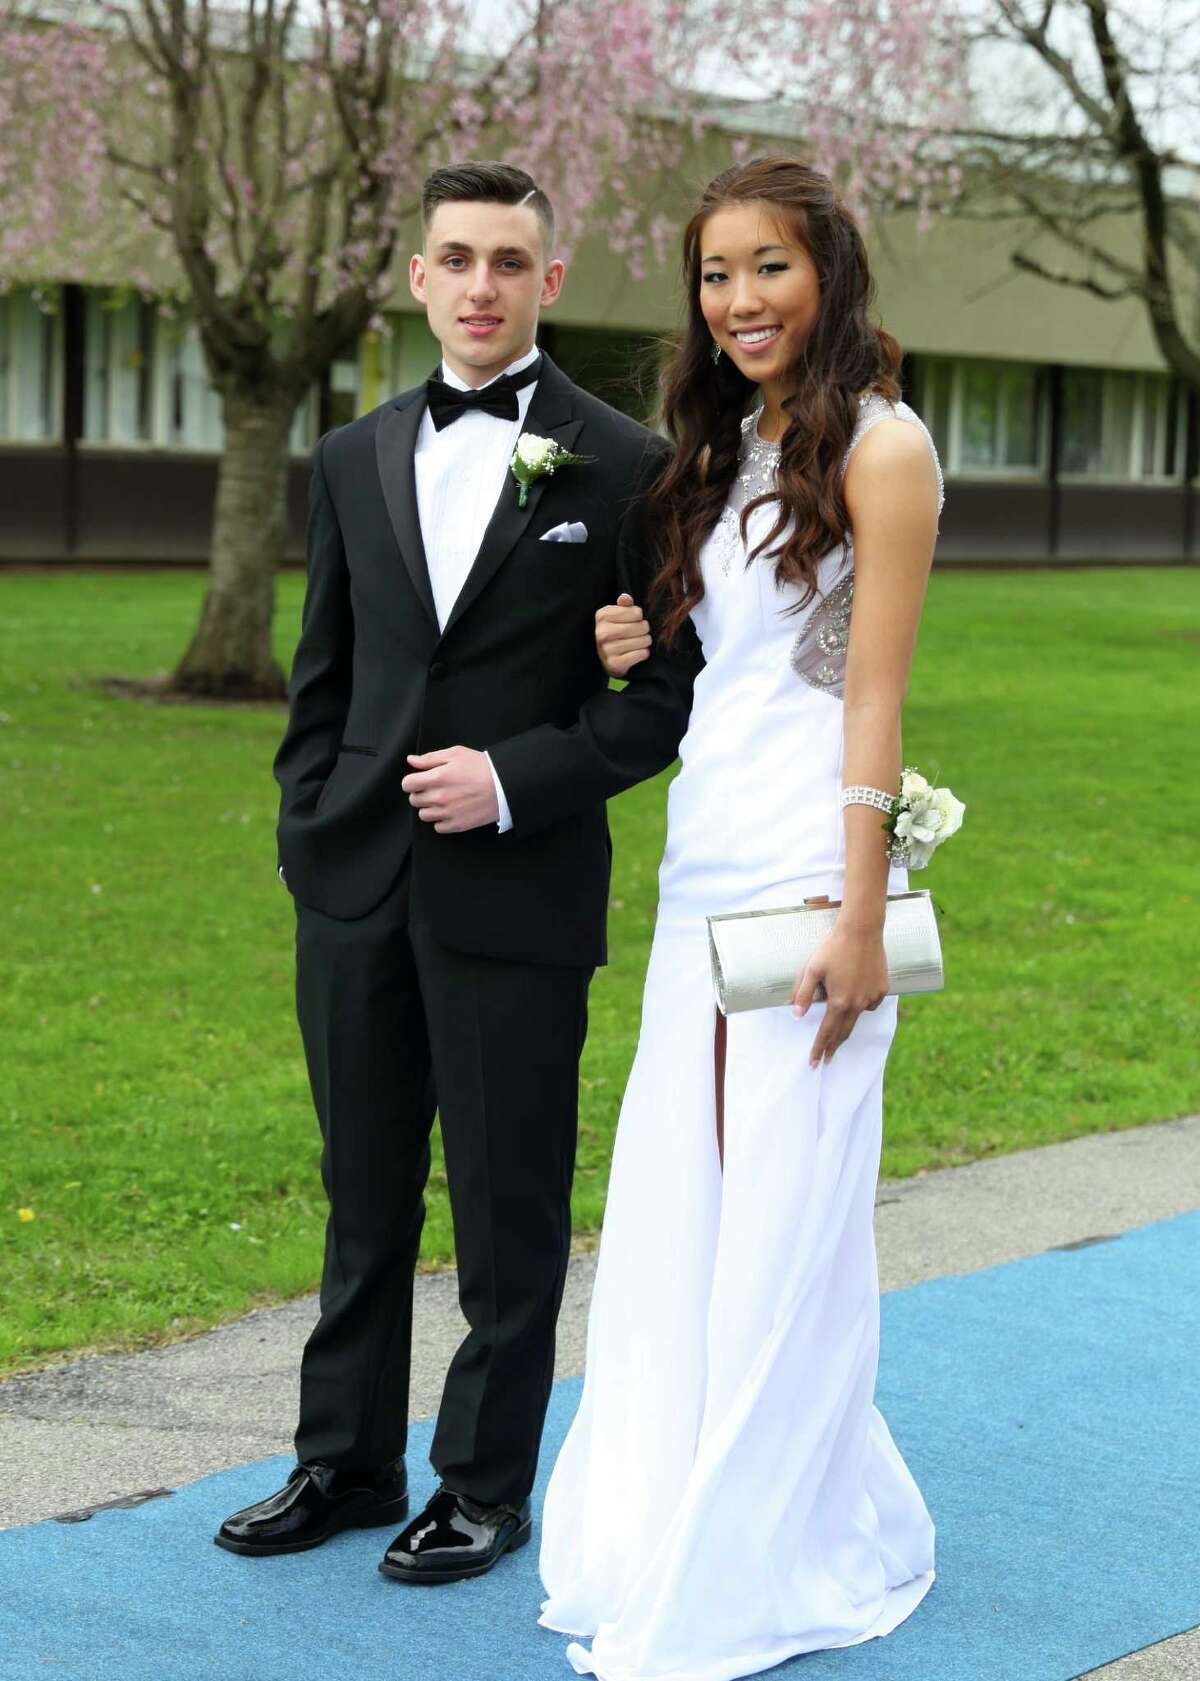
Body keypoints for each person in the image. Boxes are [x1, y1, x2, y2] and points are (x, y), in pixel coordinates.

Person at [214, 161, 700, 1584]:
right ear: (418, 278)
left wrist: (511, 782)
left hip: (519, 890)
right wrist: (312, 823)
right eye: (455, 257)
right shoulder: (354, 453)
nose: (481, 283)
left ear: (550, 282)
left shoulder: (625, 463)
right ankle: (343, 1460)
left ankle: (483, 1484)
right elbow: (326, 675)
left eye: (509, 259)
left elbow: (657, 698)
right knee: (361, 1192)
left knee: (506, 1205)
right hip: (354, 884)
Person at [538, 157, 943, 1678]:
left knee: (787, 1221)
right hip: (705, 858)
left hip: (810, 874)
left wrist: (859, 909)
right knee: (687, 1211)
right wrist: (649, 628)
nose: (740, 301)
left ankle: (771, 1545)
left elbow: (871, 691)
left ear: (826, 271)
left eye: (767, 267)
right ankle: (669, 1514)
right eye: (715, 275)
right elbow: (738, 665)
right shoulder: (735, 444)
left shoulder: (885, 448)